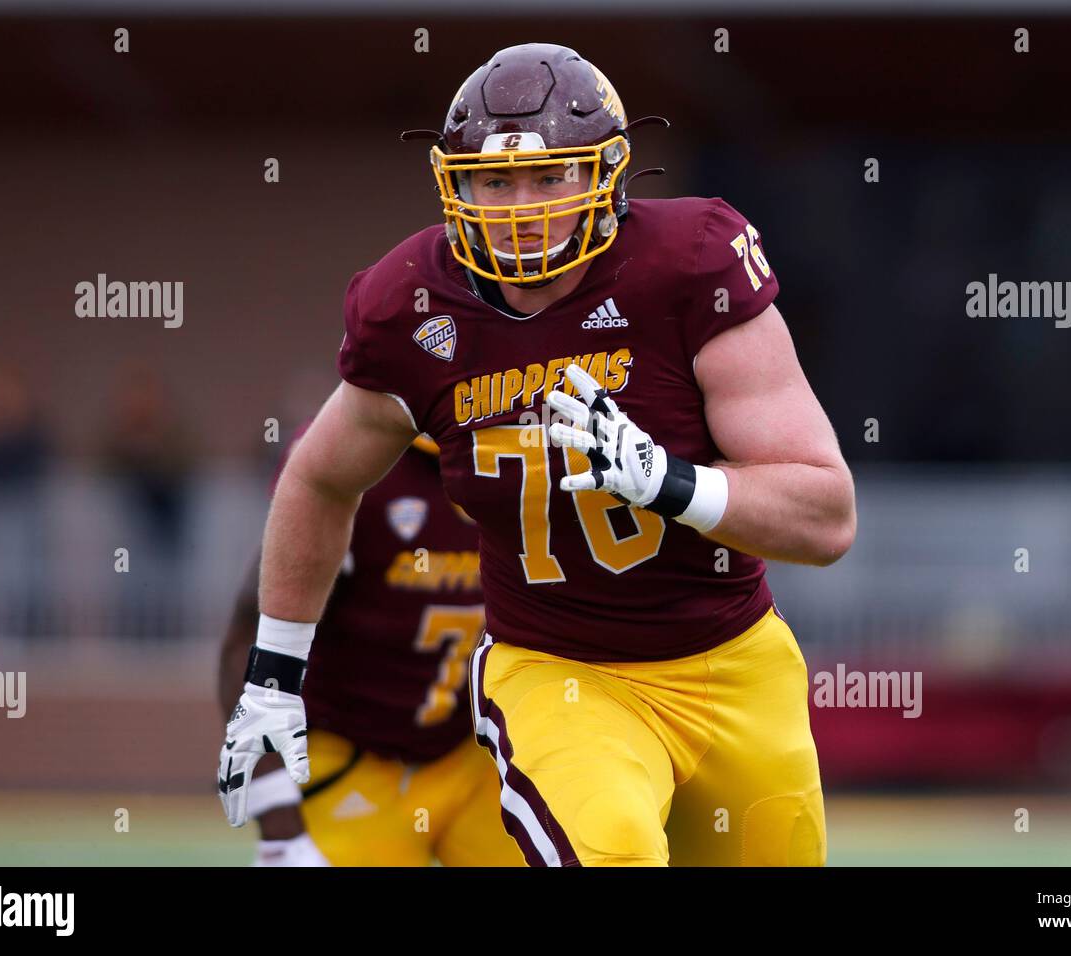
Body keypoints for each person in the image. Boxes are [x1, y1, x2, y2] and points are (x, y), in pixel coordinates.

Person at [219, 42, 855, 866]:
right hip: (561, 674)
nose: (522, 205)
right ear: (457, 185)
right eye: (495, 181)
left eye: (551, 176)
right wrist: (275, 674)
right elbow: (317, 474)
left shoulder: (688, 263)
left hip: (734, 662)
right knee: (609, 852)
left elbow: (825, 515)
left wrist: (675, 485)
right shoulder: (412, 304)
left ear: (607, 176)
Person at [218, 428, 522, 866]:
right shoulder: (356, 451)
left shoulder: (536, 452)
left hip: (471, 750)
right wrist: (278, 825)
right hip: (351, 752)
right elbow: (246, 640)